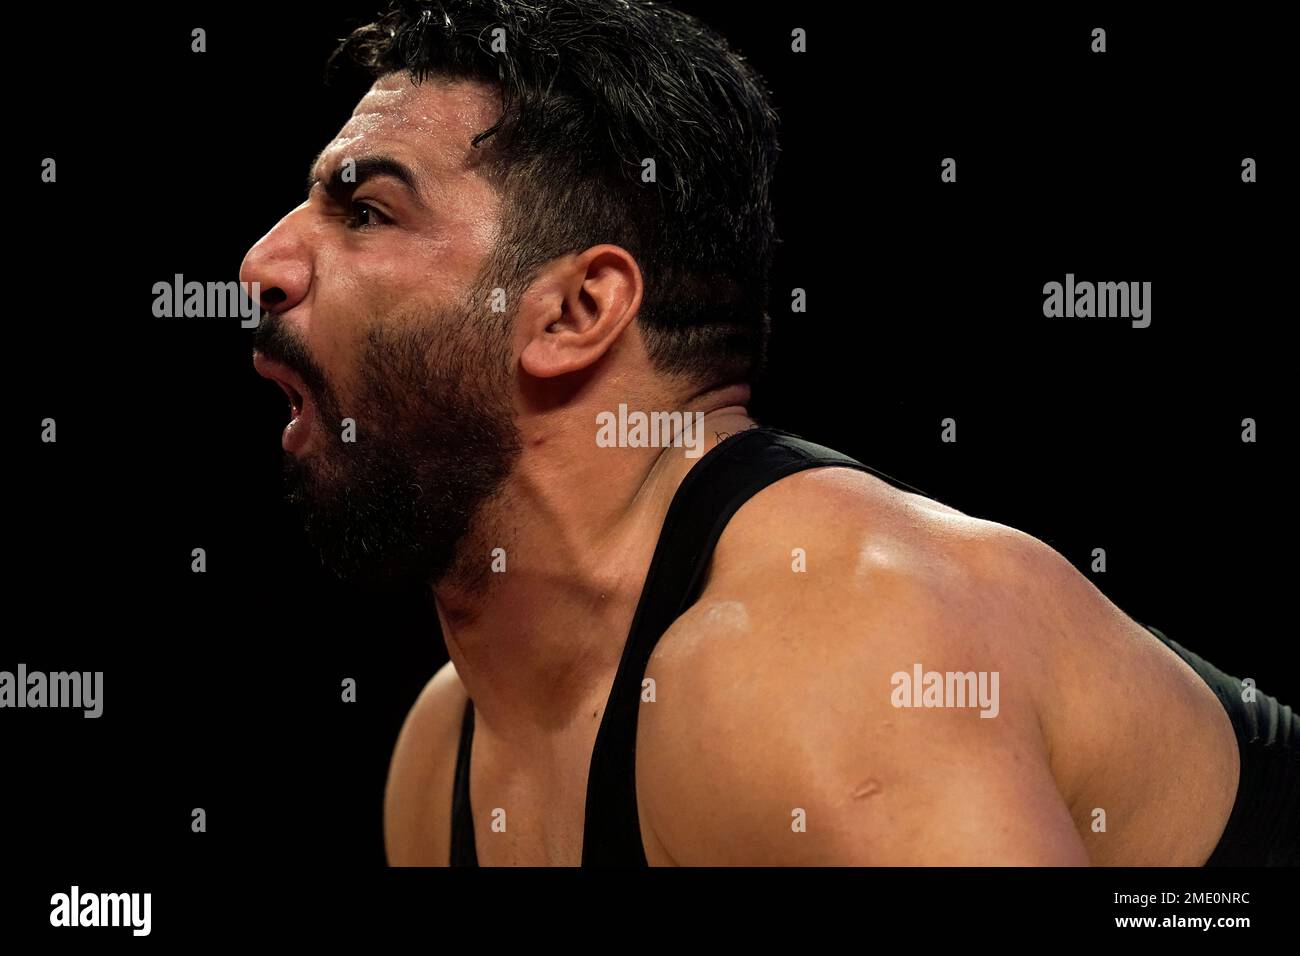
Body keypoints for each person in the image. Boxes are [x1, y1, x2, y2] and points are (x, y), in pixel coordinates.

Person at [239, 0, 1298, 865]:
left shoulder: (832, 651)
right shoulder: (445, 750)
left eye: (364, 210)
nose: (262, 262)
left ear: (573, 312)